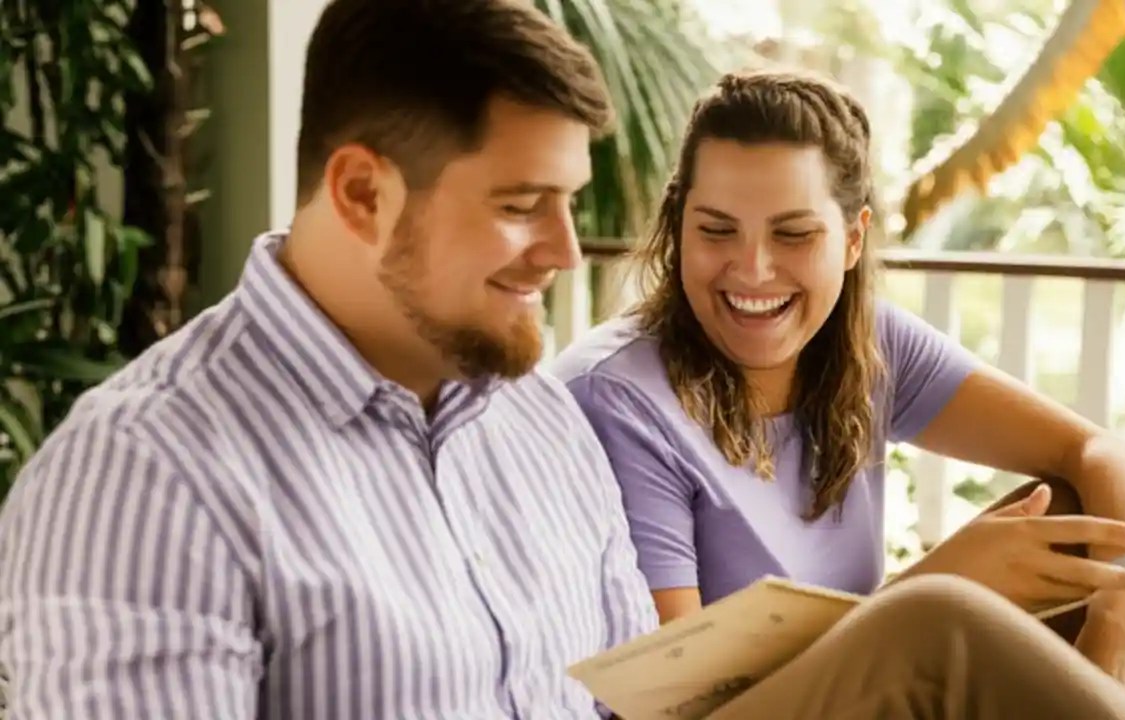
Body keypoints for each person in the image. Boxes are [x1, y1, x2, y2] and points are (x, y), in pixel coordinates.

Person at [0, 1, 658, 717]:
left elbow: (635, 702)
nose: (563, 251)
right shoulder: (146, 475)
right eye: (522, 204)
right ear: (363, 194)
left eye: (569, 203)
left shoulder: (542, 416)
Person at [549, 67, 1125, 713]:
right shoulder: (618, 398)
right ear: (679, 224)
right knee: (942, 612)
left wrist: (1120, 644)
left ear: (852, 239)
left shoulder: (864, 341)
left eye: (793, 234)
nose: (753, 268)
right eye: (716, 230)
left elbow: (1109, 456)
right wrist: (938, 583)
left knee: (1094, 526)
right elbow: (675, 702)